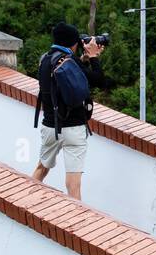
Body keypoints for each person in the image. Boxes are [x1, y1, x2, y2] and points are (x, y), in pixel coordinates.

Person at [32, 22, 107, 201]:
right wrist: (94, 57)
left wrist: (83, 60)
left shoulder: (45, 59)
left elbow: (63, 76)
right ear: (74, 44)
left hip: (50, 127)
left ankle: (24, 202)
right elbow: (99, 80)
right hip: (73, 129)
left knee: (41, 170)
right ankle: (77, 224)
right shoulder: (70, 61)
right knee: (73, 184)